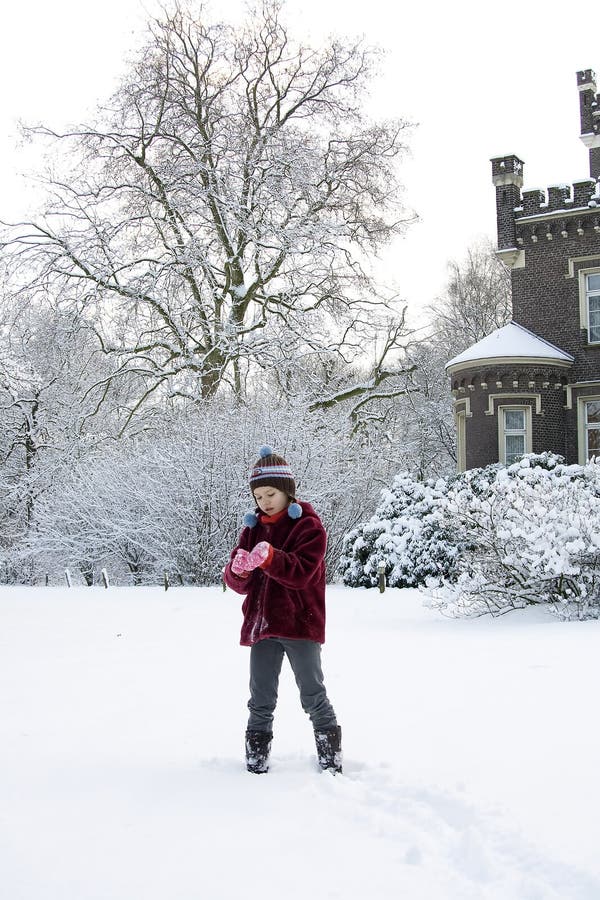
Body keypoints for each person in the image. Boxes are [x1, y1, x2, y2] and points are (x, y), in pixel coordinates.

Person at [223, 445, 342, 775]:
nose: (264, 502)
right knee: (260, 699)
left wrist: (272, 557)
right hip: (262, 628)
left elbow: (302, 572)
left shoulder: (309, 527)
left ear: (288, 491)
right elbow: (238, 583)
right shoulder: (252, 529)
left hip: (299, 626)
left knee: (313, 694)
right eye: (259, 496)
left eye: (271, 493)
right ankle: (255, 764)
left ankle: (331, 762)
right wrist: (240, 570)